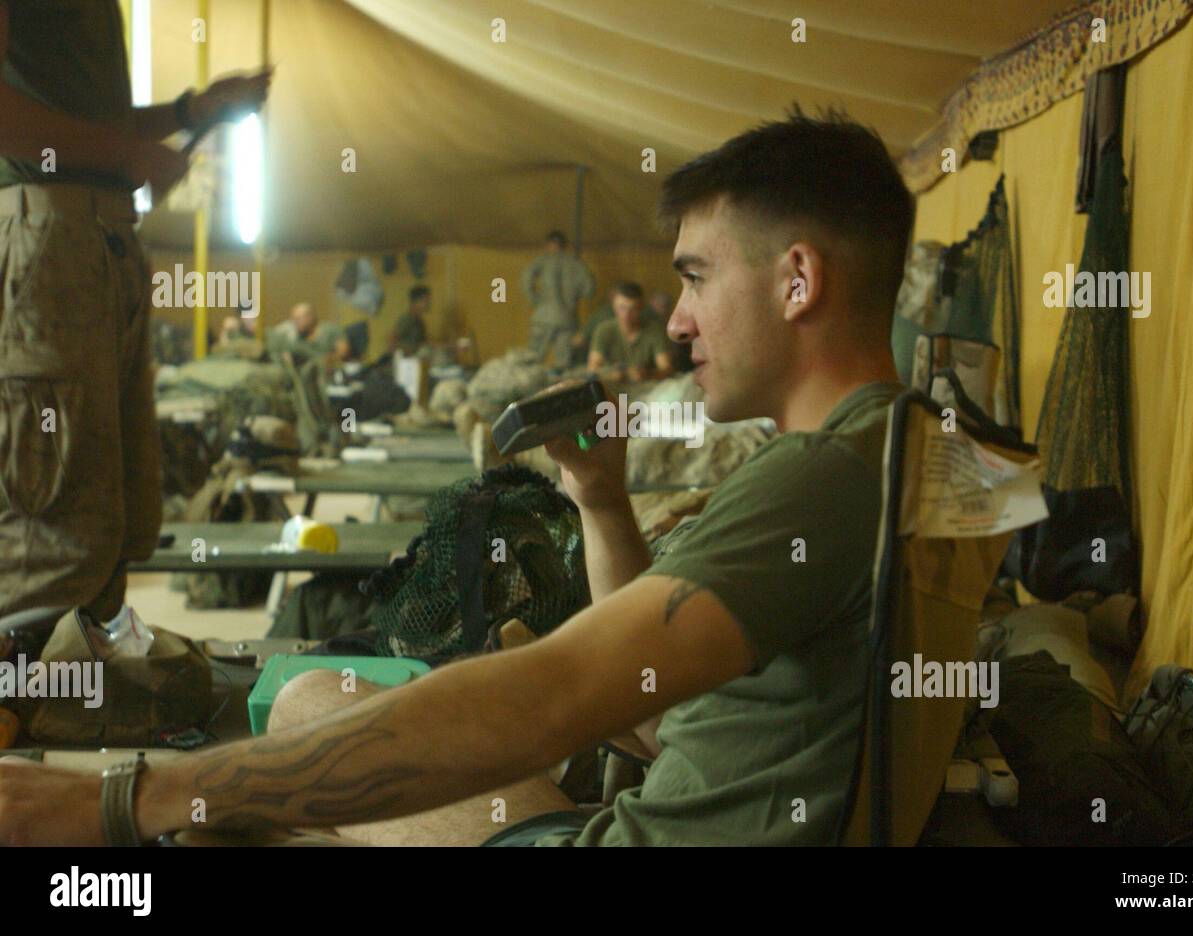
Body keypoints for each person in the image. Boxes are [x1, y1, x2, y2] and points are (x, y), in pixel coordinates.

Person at [0, 108, 914, 847]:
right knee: (314, 704)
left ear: (797, 281)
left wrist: (120, 804)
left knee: (297, 723)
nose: (676, 322)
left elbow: (547, 702)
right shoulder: (889, 449)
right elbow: (660, 706)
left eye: (696, 278)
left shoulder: (819, 477)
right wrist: (598, 493)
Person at [0, 0, 270, 621]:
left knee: (114, 528)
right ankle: (34, 703)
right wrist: (126, 156)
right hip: (51, 242)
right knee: (54, 545)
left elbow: (84, 120)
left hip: (95, 243)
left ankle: (84, 702)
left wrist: (187, 113)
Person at [521, 229, 595, 369]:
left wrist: (535, 300)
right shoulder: (575, 263)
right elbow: (589, 288)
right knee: (563, 363)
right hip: (566, 318)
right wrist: (575, 295)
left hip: (543, 316)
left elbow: (526, 279)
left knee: (532, 360)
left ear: (548, 244)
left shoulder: (542, 261)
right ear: (564, 245)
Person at [587, 281, 675, 382]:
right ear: (613, 306)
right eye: (622, 307)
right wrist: (611, 375)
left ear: (641, 307)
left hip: (647, 388)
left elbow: (667, 369)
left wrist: (646, 374)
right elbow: (592, 370)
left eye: (633, 309)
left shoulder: (654, 330)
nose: (626, 315)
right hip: (613, 389)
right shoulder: (604, 330)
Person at [267, 302, 343, 363]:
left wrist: (330, 359)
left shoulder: (329, 329)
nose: (294, 323)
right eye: (293, 319)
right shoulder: (298, 338)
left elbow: (343, 351)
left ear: (310, 317)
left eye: (298, 319)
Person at [389, 285, 431, 357]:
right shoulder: (407, 319)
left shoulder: (419, 322)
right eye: (425, 301)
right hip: (405, 362)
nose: (428, 304)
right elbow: (391, 341)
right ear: (416, 302)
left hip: (414, 361)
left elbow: (425, 342)